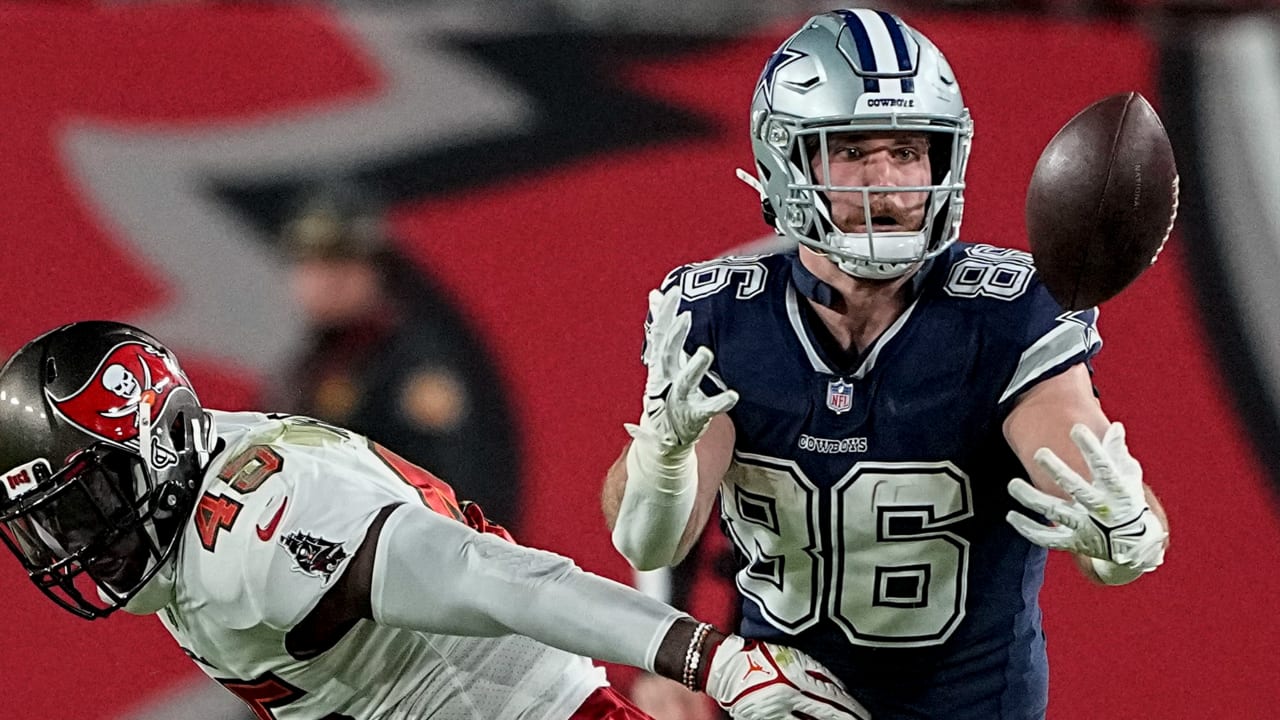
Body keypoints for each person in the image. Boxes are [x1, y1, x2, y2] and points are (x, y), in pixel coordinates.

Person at [601, 9, 1170, 720]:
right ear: (786, 160)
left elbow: (1083, 466)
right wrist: (661, 456)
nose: (888, 188)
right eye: (853, 151)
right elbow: (652, 537)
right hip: (786, 707)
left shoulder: (1006, 312)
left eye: (907, 151)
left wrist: (1125, 531)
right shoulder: (725, 315)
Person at [0, 321, 870, 720]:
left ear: (157, 452)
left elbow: (484, 577)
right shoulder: (199, 460)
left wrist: (709, 657)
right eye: (49, 521)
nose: (73, 542)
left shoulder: (260, 531)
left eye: (82, 504)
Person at [277, 191, 522, 528]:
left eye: (342, 263)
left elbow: (464, 485)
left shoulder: (412, 364)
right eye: (312, 263)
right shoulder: (312, 364)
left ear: (377, 271)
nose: (325, 281)